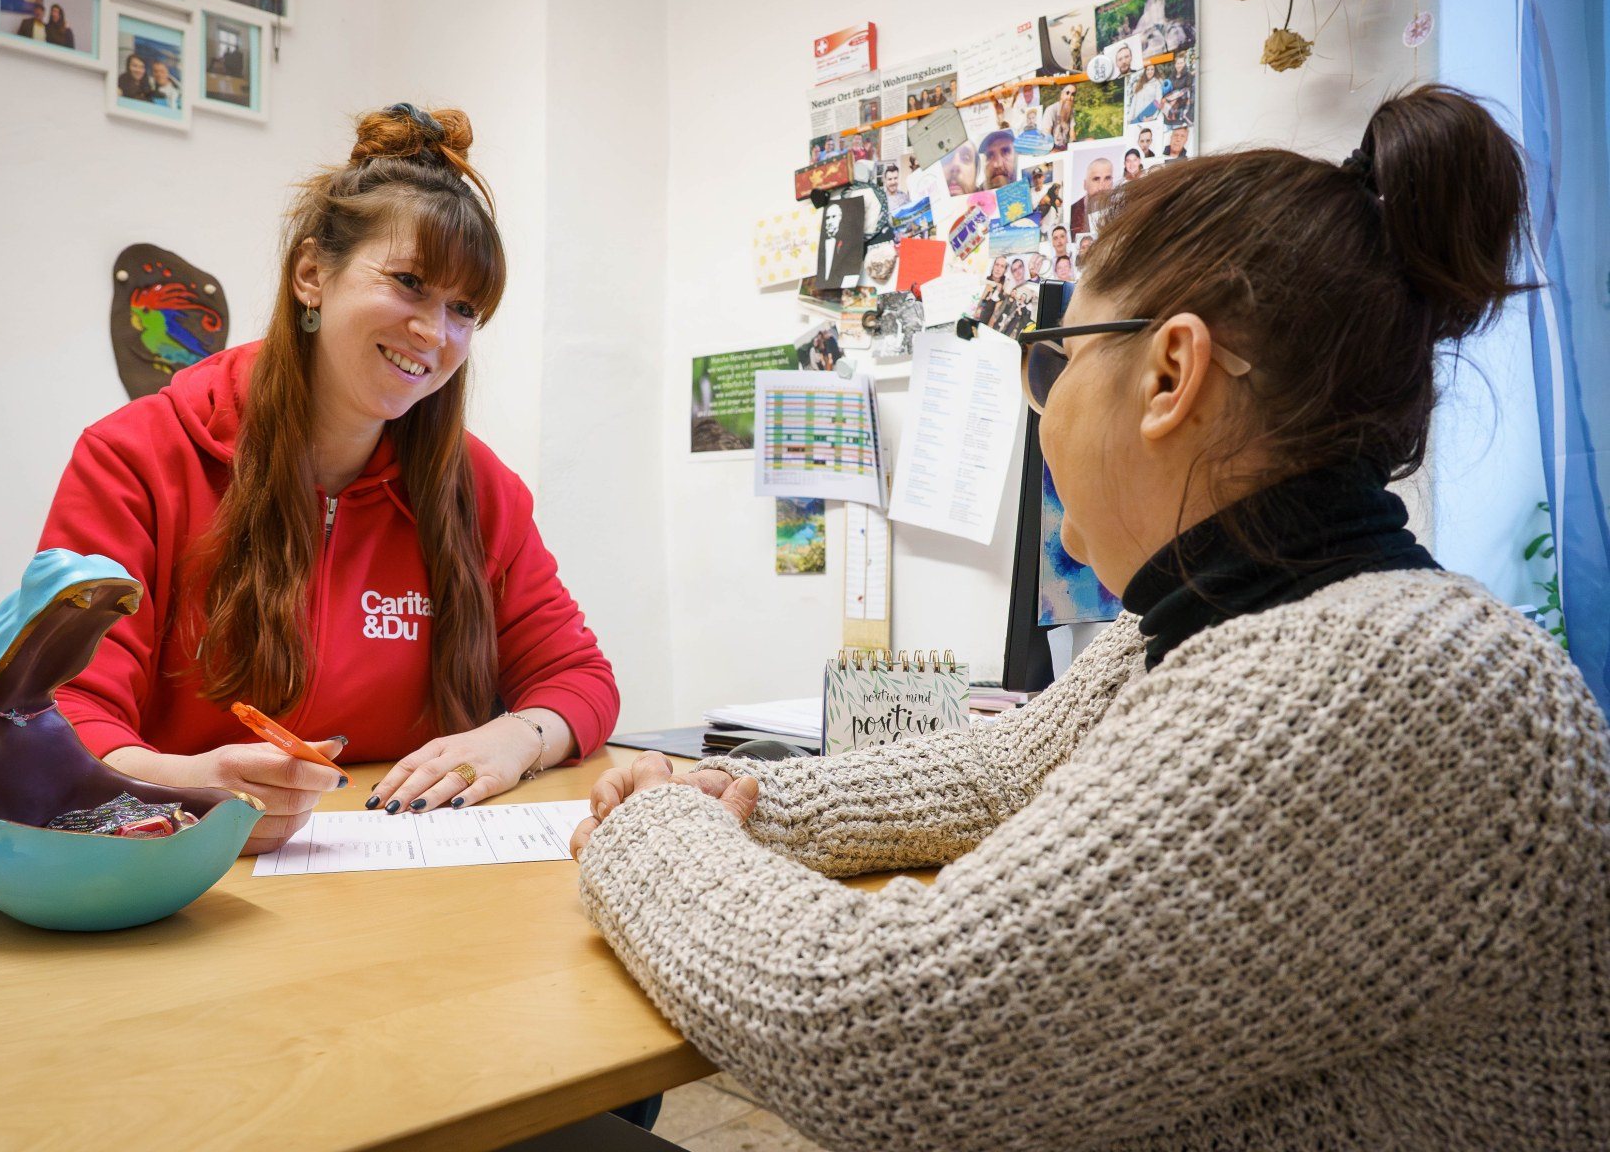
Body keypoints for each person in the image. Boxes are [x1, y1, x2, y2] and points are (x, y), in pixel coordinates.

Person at [568, 84, 1610, 1152]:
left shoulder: (1388, 680)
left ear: (1170, 372)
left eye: (1052, 360)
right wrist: (736, 802)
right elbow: (1000, 774)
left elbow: (872, 1030)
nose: (1045, 406)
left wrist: (654, 832)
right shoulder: (1220, 617)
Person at [37, 103, 620, 857]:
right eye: (409, 283)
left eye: (463, 309)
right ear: (312, 274)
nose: (435, 334)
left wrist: (516, 738)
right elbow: (61, 709)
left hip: (414, 888)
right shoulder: (134, 459)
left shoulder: (479, 487)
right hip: (184, 880)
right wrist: (181, 785)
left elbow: (578, 677)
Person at [1069, 155, 1114, 232]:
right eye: (1096, 179)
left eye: (1107, 178)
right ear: (1085, 184)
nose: (1101, 187)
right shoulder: (1071, 213)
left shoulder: (1121, 210)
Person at [1039, 83, 1075, 150]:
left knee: (1090, 140)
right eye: (1067, 93)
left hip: (1065, 146)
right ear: (1061, 94)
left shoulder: (1071, 111)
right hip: (1052, 147)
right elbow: (1047, 136)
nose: (1069, 97)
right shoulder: (1051, 110)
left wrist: (1073, 147)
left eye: (1072, 94)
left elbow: (1072, 134)